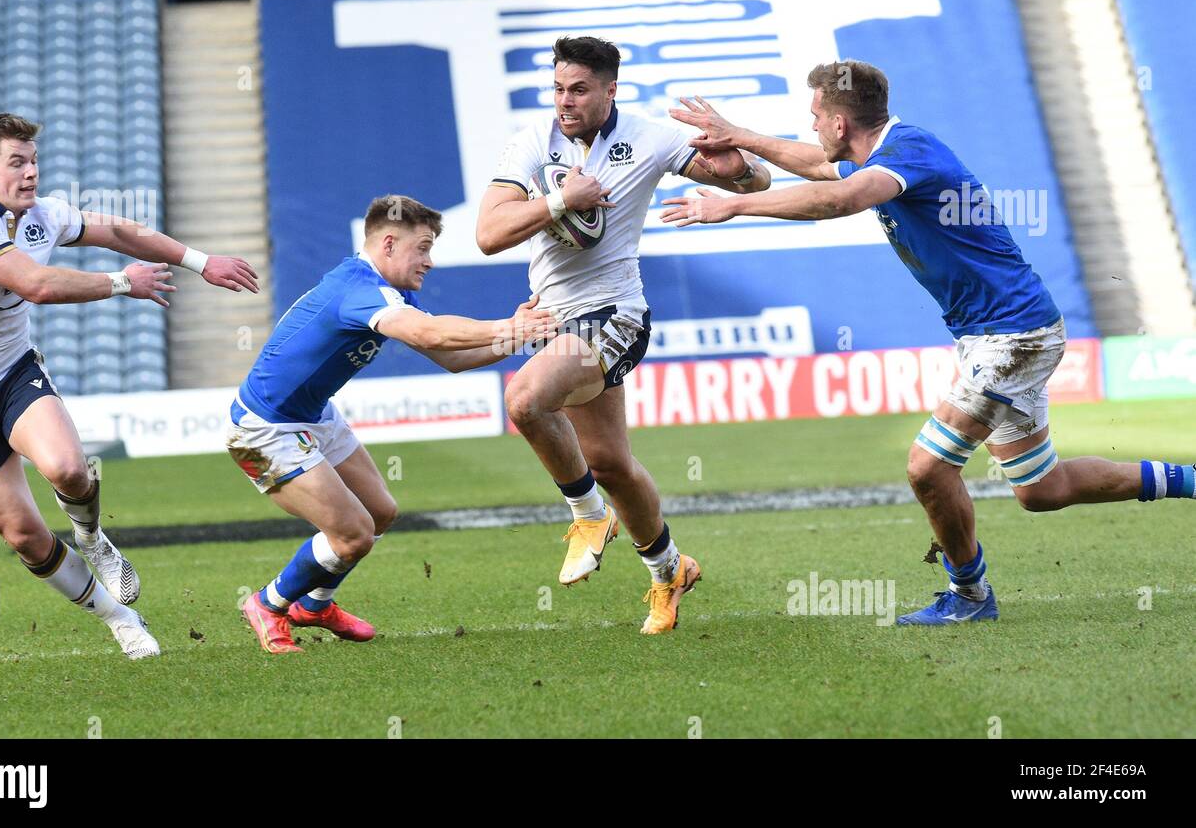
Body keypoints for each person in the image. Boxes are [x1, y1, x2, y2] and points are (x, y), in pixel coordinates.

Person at [660, 61, 1196, 625]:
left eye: (817, 115)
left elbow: (840, 199)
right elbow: (819, 166)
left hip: (1013, 336)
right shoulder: (880, 151)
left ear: (841, 123)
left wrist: (732, 204)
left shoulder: (907, 153)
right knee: (1043, 489)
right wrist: (739, 135)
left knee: (927, 468)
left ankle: (969, 597)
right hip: (999, 334)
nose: (812, 125)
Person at [0, 112, 260, 658]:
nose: (31, 173)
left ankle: (93, 538)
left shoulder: (42, 215)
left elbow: (119, 231)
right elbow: (35, 284)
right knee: (23, 536)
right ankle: (119, 618)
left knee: (68, 469)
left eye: (33, 161)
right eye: (17, 163)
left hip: (11, 372)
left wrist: (200, 261)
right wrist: (124, 283)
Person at [475, 36, 771, 634]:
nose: (565, 101)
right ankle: (670, 572)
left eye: (579, 89)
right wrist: (562, 199)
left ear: (612, 90)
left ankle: (588, 516)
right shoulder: (532, 143)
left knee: (526, 400)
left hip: (615, 315)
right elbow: (488, 233)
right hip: (557, 319)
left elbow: (754, 182)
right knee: (610, 462)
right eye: (558, 88)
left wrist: (737, 164)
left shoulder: (652, 137)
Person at [232, 194, 556, 653]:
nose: (429, 262)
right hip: (261, 432)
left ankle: (316, 605)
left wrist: (521, 339)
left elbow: (451, 357)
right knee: (352, 534)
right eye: (422, 248)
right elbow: (430, 333)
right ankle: (268, 603)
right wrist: (508, 327)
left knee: (380, 513)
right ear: (388, 243)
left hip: (313, 414)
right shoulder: (359, 289)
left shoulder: (387, 291)